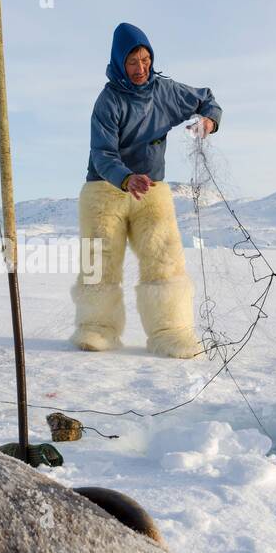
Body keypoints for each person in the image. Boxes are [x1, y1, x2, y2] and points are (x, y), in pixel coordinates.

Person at [71, 21, 222, 358]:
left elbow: (207, 100)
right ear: (119, 62)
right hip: (104, 191)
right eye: (132, 62)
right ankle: (96, 328)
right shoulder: (108, 101)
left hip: (151, 191)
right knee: (100, 260)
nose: (140, 68)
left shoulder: (165, 92)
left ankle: (170, 332)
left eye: (145, 60)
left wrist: (209, 120)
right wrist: (126, 178)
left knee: (164, 256)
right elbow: (102, 153)